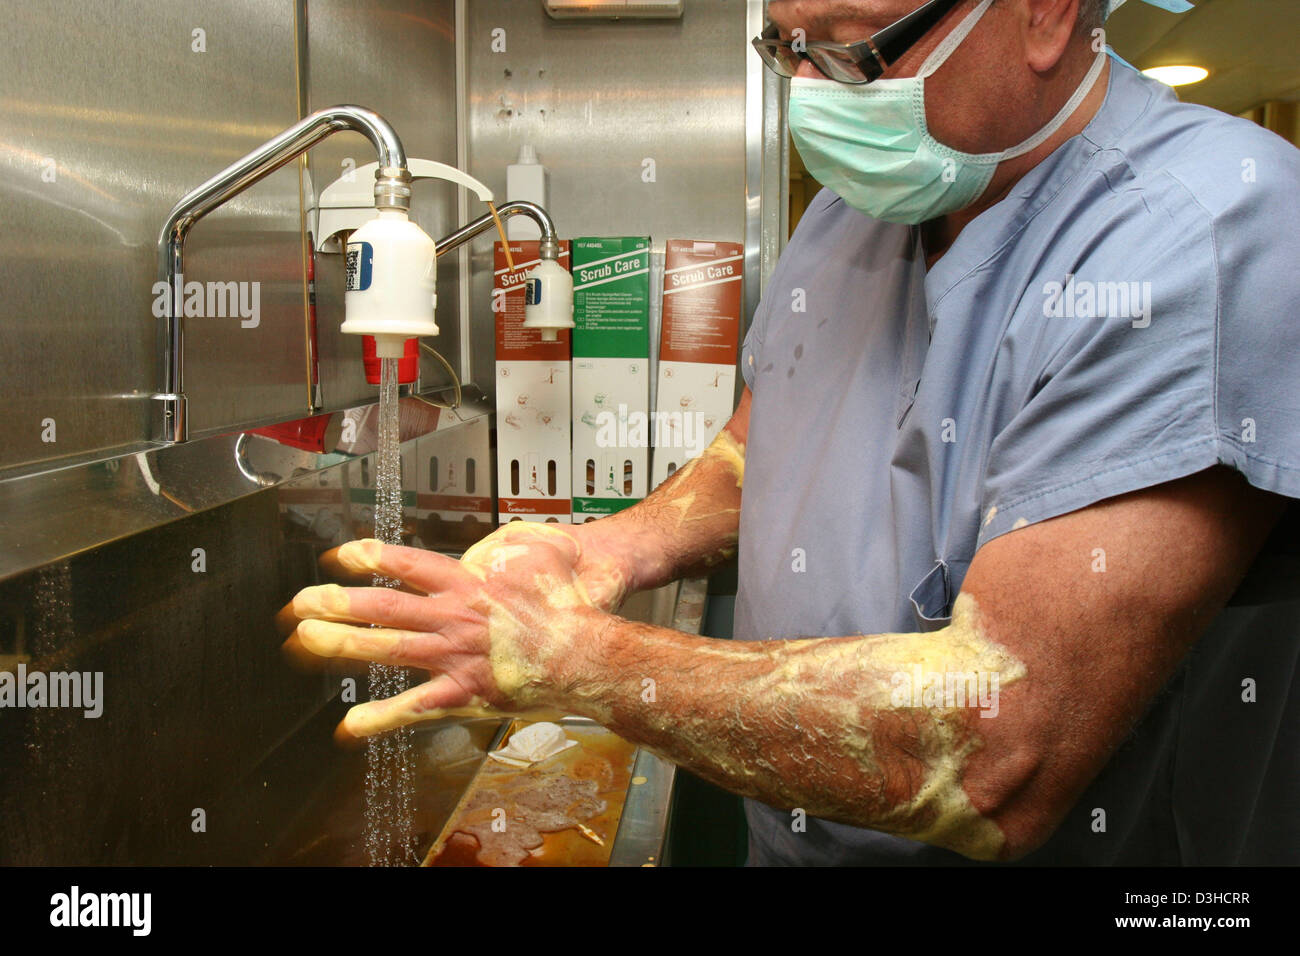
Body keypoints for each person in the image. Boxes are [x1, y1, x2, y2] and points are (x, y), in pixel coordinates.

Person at [282, 0, 1300, 864]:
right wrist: (605, 548)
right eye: (785, 50)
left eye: (853, 52)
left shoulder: (1203, 234)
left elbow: (996, 745)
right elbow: (759, 441)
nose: (813, 95)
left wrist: (572, 654)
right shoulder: (861, 209)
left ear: (1041, 15)